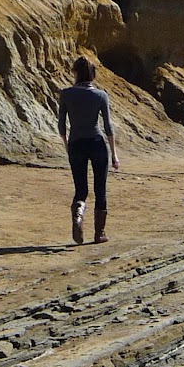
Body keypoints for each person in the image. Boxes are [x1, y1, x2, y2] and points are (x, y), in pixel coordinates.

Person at [57, 56, 119, 244]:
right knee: (100, 189)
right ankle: (99, 233)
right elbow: (107, 126)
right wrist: (114, 153)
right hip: (97, 142)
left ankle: (78, 216)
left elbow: (61, 125)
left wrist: (68, 145)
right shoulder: (101, 95)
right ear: (93, 74)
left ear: (75, 73)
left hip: (76, 143)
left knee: (80, 189)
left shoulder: (66, 94)